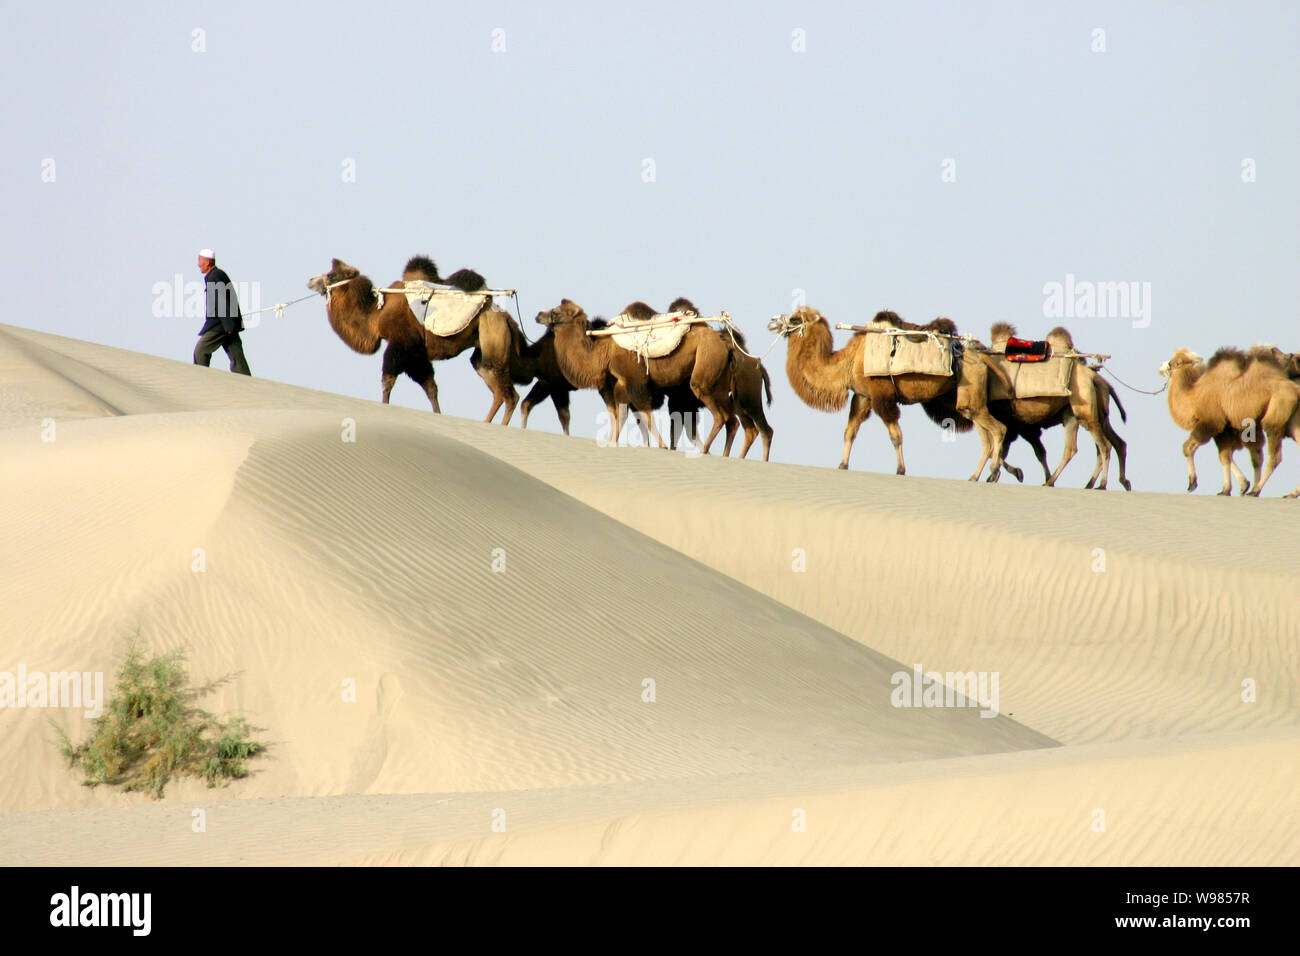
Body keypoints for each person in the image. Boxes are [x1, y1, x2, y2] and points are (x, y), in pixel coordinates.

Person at [193, 249, 251, 375]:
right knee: (237, 358)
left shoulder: (215, 276)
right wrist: (231, 325)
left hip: (220, 325)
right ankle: (247, 384)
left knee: (201, 351)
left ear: (208, 262)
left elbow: (221, 301)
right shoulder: (217, 275)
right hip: (228, 324)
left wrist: (229, 326)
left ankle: (200, 378)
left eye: (200, 261)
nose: (198, 264)